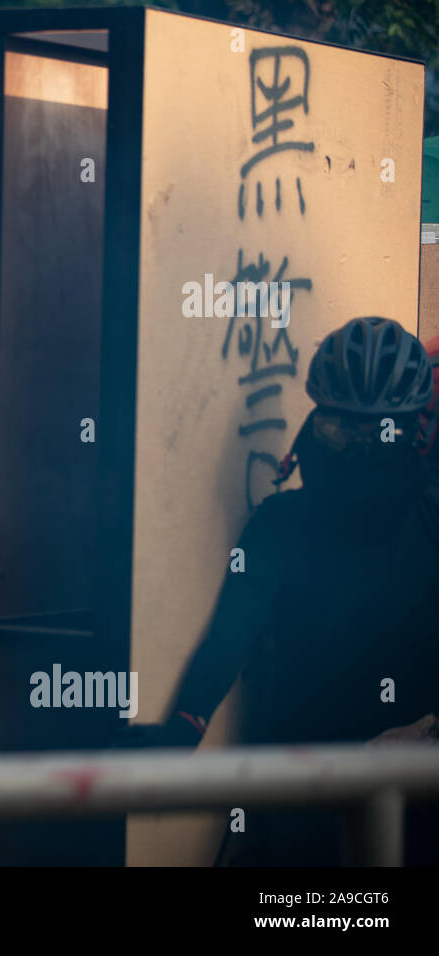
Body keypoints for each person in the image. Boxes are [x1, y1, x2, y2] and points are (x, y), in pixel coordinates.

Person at [123, 317, 439, 864]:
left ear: (413, 431)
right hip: (302, 800)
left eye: (377, 432)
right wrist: (178, 731)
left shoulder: (432, 521)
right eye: (344, 429)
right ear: (316, 421)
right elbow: (228, 638)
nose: (360, 450)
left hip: (414, 798)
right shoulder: (278, 525)